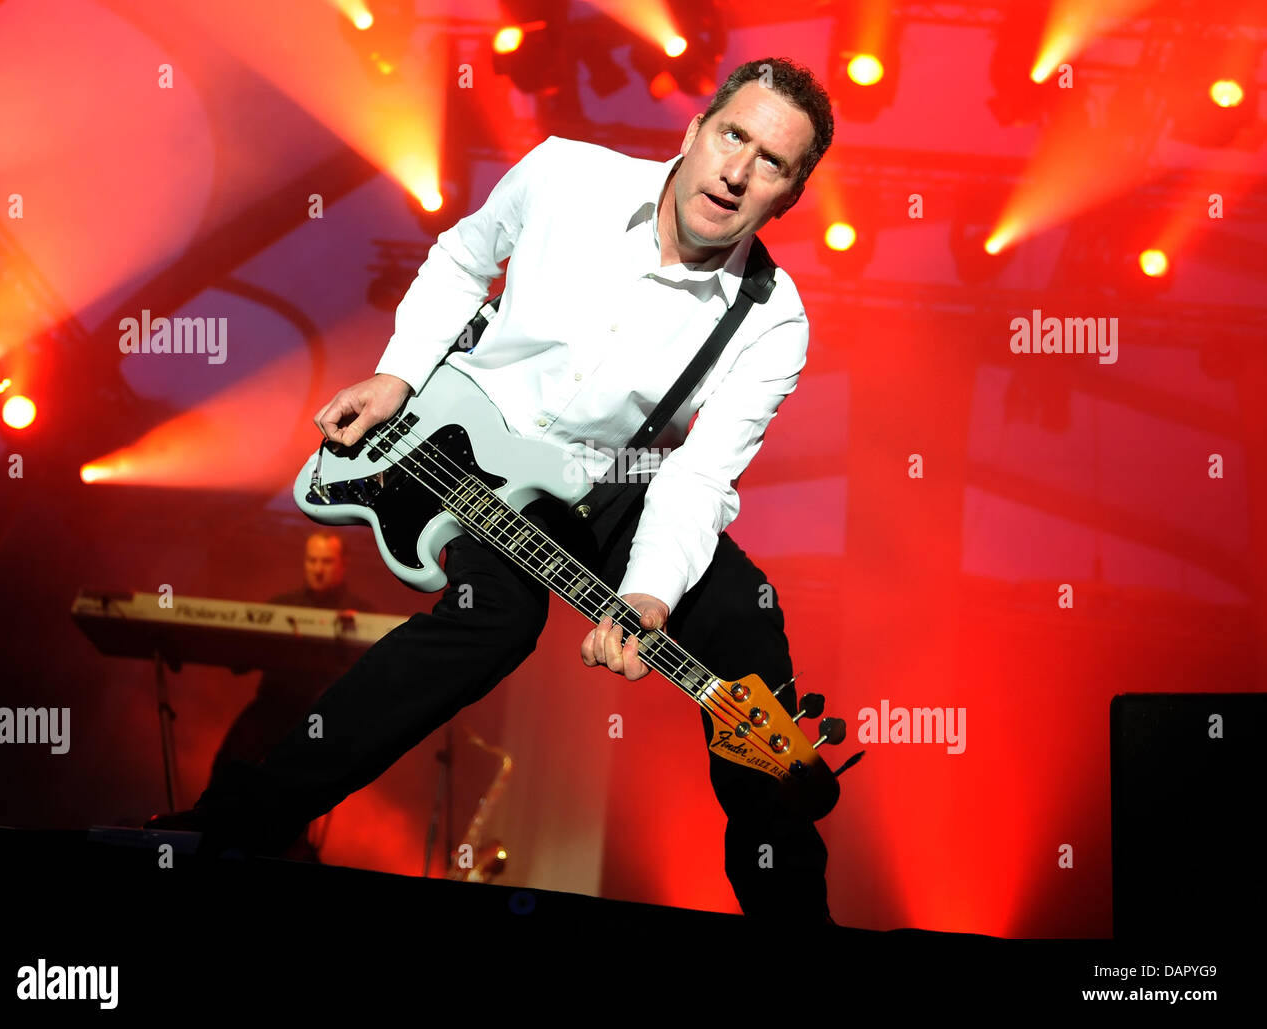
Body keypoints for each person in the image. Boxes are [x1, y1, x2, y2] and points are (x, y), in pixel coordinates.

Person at [149, 56, 837, 924]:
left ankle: (798, 923)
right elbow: (462, 259)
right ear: (696, 130)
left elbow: (699, 475)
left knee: (744, 615)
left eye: (771, 162)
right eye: (733, 135)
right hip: (465, 433)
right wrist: (398, 376)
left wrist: (647, 597)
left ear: (788, 196)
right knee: (495, 619)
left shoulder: (773, 320)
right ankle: (237, 826)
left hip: (612, 478)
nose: (738, 172)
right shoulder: (563, 175)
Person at [203, 530, 376, 862]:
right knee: (230, 763)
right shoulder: (282, 605)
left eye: (326, 561)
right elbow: (240, 660)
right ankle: (211, 838)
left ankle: (288, 849)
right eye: (312, 560)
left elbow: (373, 676)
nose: (318, 568)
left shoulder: (360, 612)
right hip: (272, 705)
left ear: (343, 565)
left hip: (320, 716)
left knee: (295, 788)